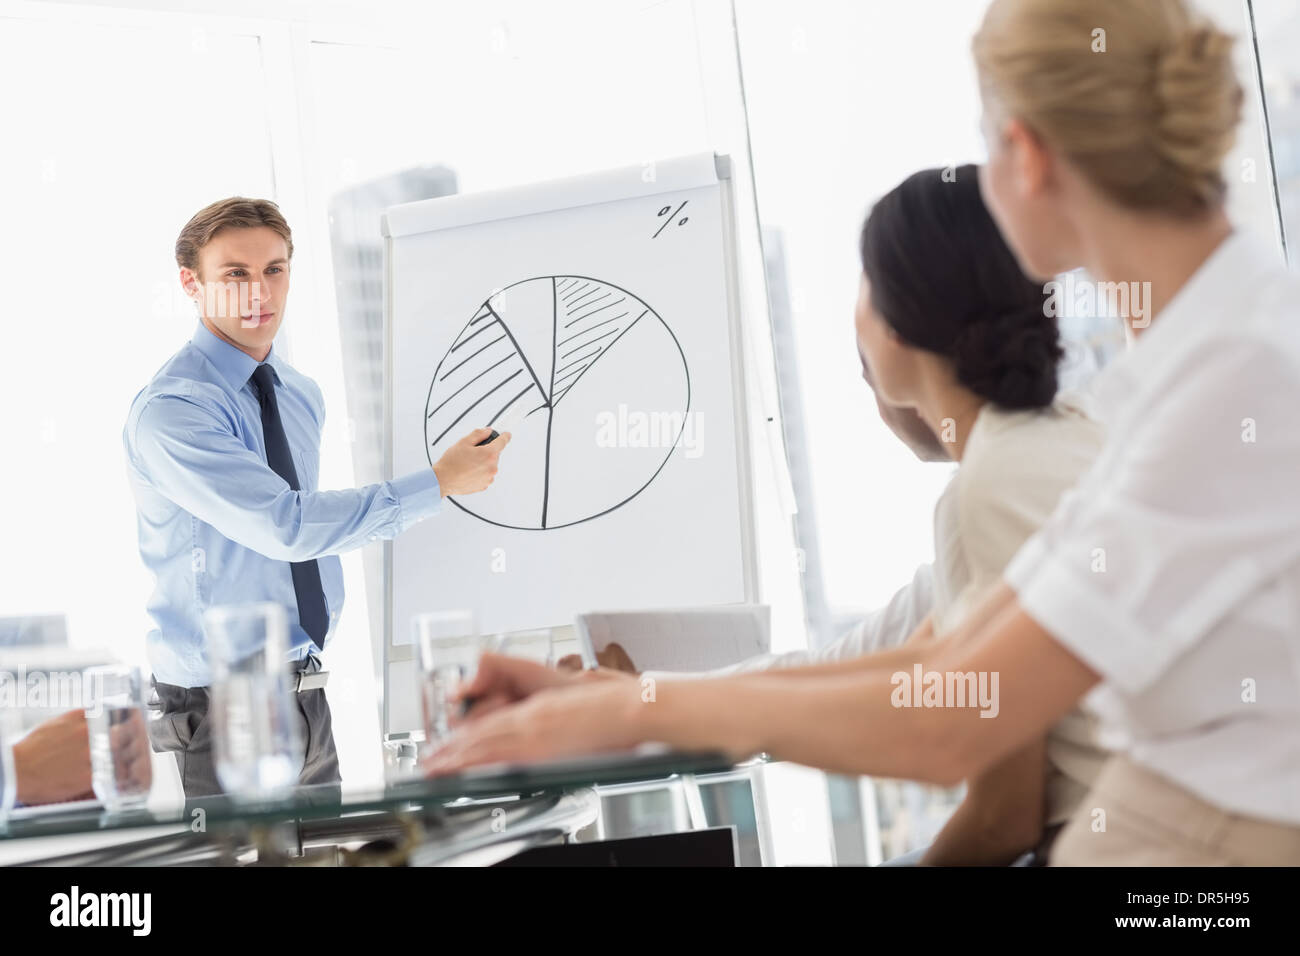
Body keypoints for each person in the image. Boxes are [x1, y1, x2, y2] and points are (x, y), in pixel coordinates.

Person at [424, 0, 1300, 866]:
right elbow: (945, 656)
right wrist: (632, 700)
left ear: (1026, 157)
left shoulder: (1225, 379)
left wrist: (626, 713)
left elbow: (956, 717)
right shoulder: (1194, 360)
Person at [452, 165, 1110, 865]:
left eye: (863, 285)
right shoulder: (1066, 440)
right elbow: (871, 664)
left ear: (900, 322)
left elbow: (1002, 816)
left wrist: (628, 708)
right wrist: (629, 697)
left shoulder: (990, 488)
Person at [123, 198, 511, 798]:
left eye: (275, 269)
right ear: (190, 284)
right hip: (216, 707)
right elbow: (286, 527)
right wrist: (436, 483)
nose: (260, 291)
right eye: (235, 274)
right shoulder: (173, 411)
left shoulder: (298, 395)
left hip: (304, 688)